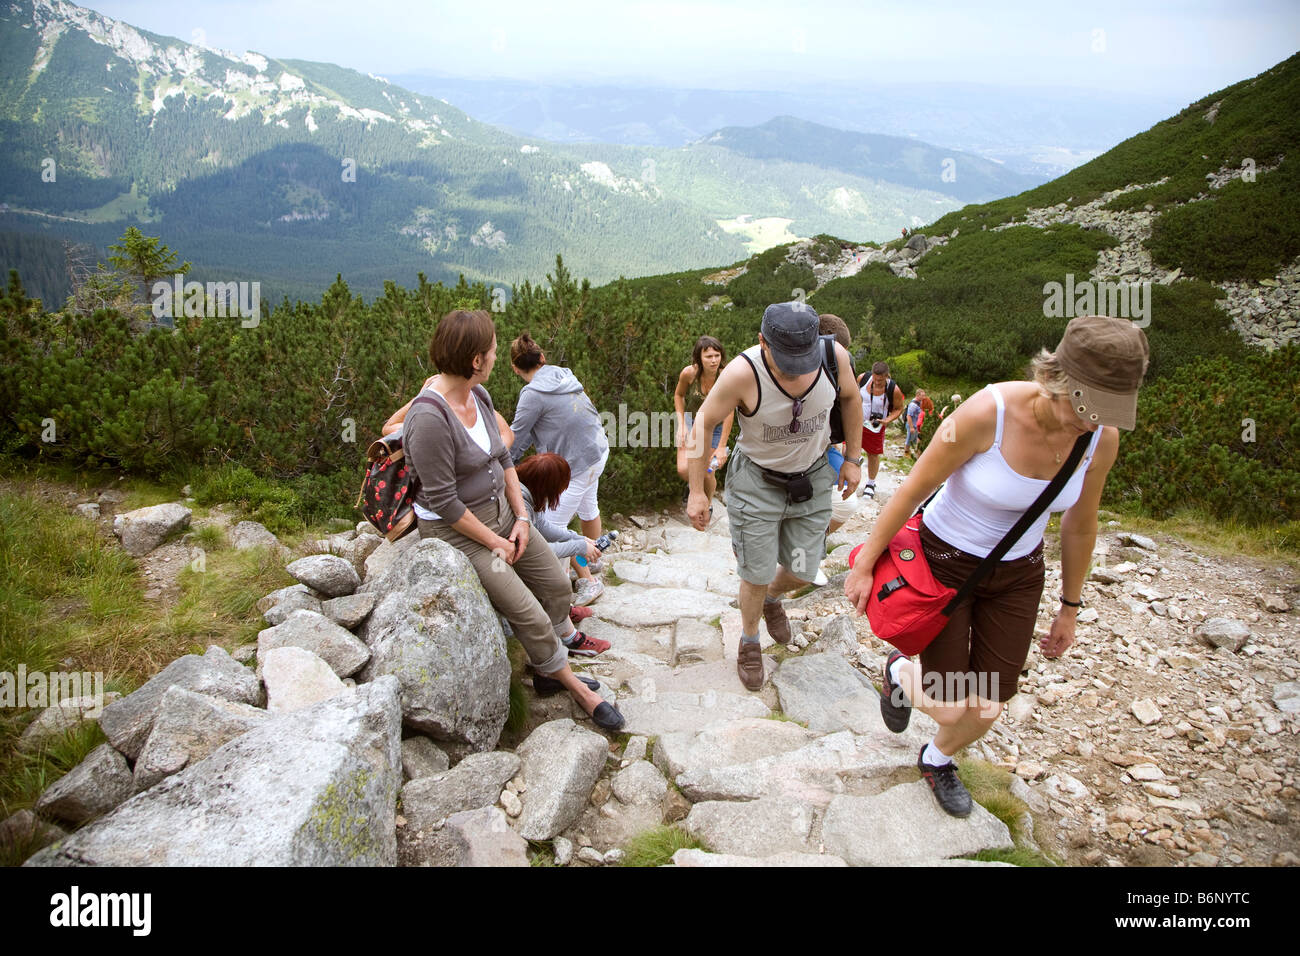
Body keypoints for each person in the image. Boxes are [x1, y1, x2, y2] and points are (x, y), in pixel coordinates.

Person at [844, 315, 1148, 817]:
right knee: (947, 701)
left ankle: (937, 758)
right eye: (1087, 405)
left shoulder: (1101, 439)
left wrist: (1070, 607)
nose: (1094, 422)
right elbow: (914, 487)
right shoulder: (987, 413)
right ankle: (901, 672)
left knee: (987, 705)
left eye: (1108, 410)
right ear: (1058, 378)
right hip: (943, 565)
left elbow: (1080, 523)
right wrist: (865, 562)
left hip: (1018, 575)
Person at [403, 310, 623, 730]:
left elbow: (504, 457)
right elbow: (445, 502)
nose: (495, 354)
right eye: (491, 349)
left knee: (558, 586)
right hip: (461, 531)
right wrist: (496, 541)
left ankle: (546, 669)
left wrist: (521, 517)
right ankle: (572, 685)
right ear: (475, 360)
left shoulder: (477, 397)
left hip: (505, 514)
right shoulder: (429, 418)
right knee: (528, 612)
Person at [686, 302, 862, 691]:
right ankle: (750, 641)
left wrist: (852, 458)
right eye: (787, 360)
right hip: (757, 482)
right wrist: (697, 491)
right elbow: (703, 422)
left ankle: (771, 599)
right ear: (762, 342)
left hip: (813, 477)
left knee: (804, 567)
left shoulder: (835, 357)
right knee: (755, 572)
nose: (797, 369)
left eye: (803, 359)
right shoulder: (741, 374)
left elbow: (850, 398)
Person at [508, 333, 612, 597]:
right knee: (589, 509)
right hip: (597, 451)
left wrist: (506, 469)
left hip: (574, 465)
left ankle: (584, 582)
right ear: (542, 358)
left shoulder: (532, 394)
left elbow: (516, 437)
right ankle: (592, 557)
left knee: (553, 527)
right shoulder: (564, 375)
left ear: (515, 368)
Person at [515, 454, 613, 656]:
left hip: (521, 554)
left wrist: (576, 539)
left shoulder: (527, 490)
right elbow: (533, 552)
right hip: (513, 558)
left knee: (565, 548)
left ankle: (563, 611)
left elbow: (542, 526)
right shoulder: (519, 503)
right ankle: (570, 638)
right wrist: (577, 547)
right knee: (558, 568)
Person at [674, 336, 735, 508]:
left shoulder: (726, 376)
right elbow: (679, 395)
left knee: (708, 472)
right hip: (690, 422)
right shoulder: (689, 373)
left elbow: (730, 412)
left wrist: (722, 445)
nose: (714, 360)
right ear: (699, 358)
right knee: (684, 469)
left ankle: (706, 506)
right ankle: (694, 486)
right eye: (709, 356)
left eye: (717, 355)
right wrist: (681, 424)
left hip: (714, 426)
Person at [858, 361, 906, 498]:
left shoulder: (893, 389)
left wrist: (887, 420)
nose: (877, 382)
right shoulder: (863, 379)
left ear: (886, 376)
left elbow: (899, 408)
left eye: (881, 380)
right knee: (848, 450)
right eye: (875, 379)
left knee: (873, 454)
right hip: (857, 422)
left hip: (875, 426)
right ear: (872, 374)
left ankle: (871, 483)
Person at [904, 391, 923, 460]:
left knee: (914, 439)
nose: (923, 397)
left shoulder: (919, 403)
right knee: (909, 439)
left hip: (916, 424)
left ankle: (913, 452)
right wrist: (911, 427)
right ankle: (906, 452)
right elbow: (908, 416)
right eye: (922, 396)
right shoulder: (913, 405)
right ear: (917, 395)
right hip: (912, 425)